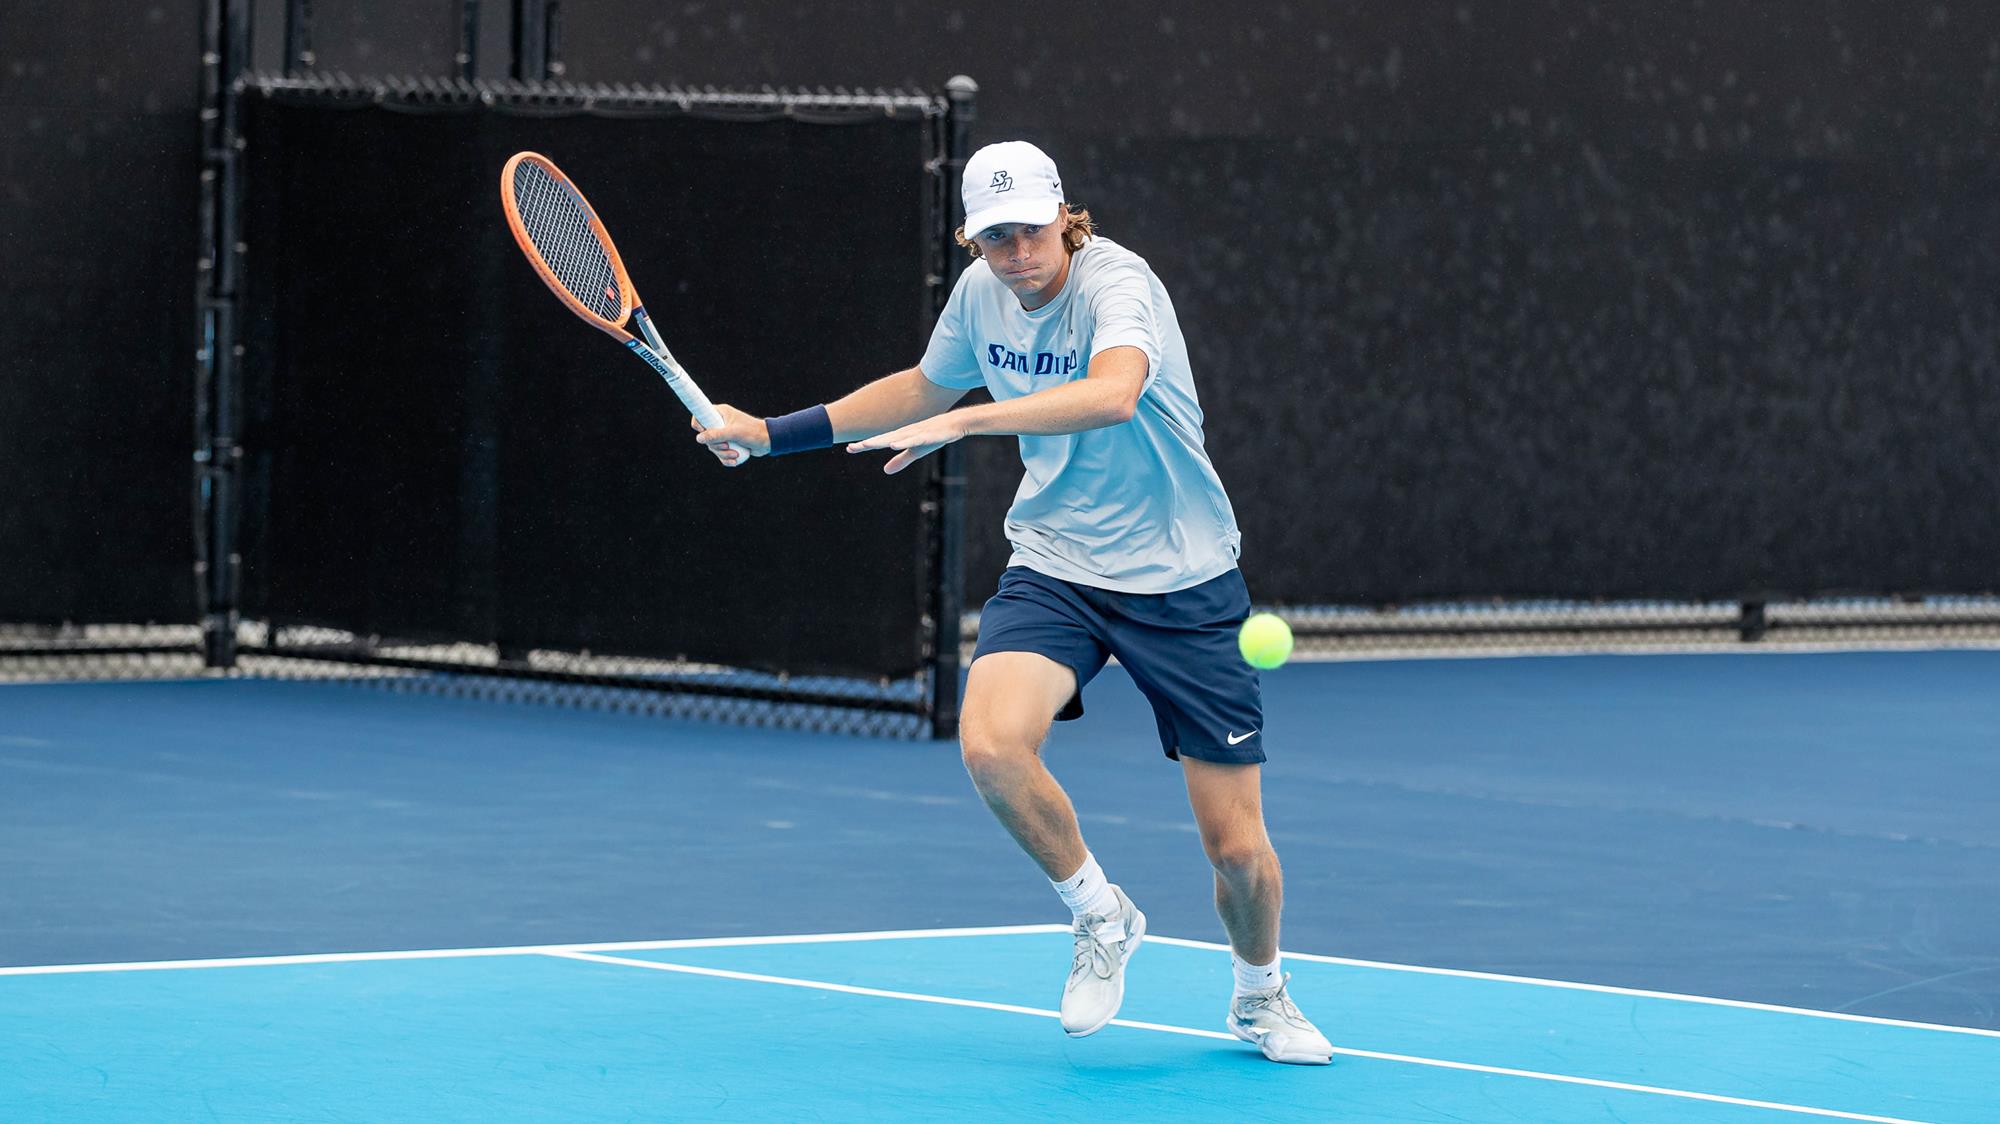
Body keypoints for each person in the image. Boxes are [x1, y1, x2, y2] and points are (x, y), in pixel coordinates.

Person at [693, 140, 1332, 1065]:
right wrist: (767, 434)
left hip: (1182, 579)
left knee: (1237, 852)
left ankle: (1259, 992)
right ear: (973, 239)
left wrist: (967, 420)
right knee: (990, 743)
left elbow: (1114, 394)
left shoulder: (1122, 283)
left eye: (1030, 230)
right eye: (995, 238)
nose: (1017, 252)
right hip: (1058, 564)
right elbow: (920, 386)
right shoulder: (979, 295)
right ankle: (1100, 914)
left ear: (1063, 216)